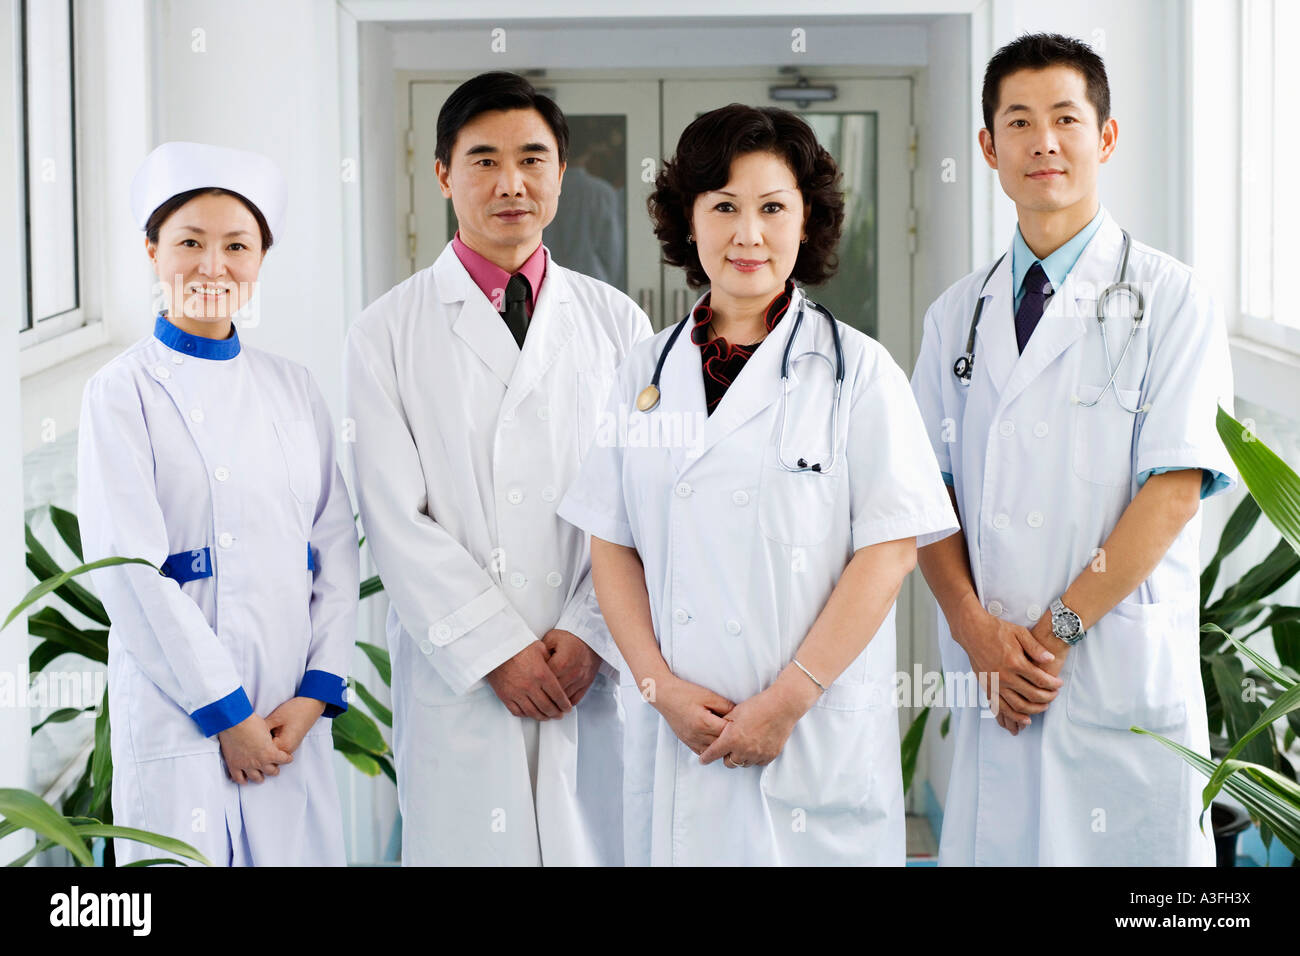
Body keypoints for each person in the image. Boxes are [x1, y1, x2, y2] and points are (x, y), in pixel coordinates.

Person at [558, 104, 958, 866]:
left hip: (809, 737)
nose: (748, 234)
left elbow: (890, 554)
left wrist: (787, 702)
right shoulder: (641, 372)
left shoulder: (861, 374)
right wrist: (657, 687)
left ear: (806, 222)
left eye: (773, 207)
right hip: (678, 732)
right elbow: (609, 541)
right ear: (689, 220)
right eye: (724, 207)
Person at [910, 33, 1236, 866]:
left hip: (1103, 670)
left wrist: (1047, 638)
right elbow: (923, 494)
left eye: (1065, 118)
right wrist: (975, 631)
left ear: (1106, 137)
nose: (1043, 142)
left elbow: (1173, 489)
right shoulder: (957, 316)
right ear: (988, 147)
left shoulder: (1173, 298)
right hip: (994, 675)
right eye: (1018, 122)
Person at [345, 72, 652, 866]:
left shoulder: (619, 325)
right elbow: (392, 517)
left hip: (585, 671)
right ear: (443, 175)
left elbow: (640, 503)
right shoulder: (386, 332)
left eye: (531, 159)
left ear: (561, 174)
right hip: (463, 683)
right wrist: (495, 650)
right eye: (482, 160)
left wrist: (590, 632)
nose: (509, 182)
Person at [78, 141, 358, 866]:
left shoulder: (293, 387)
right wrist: (226, 714)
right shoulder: (122, 391)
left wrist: (314, 694)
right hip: (183, 713)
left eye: (237, 245)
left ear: (261, 257)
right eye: (189, 243)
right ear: (151, 250)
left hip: (291, 711)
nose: (212, 267)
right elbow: (128, 572)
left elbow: (334, 548)